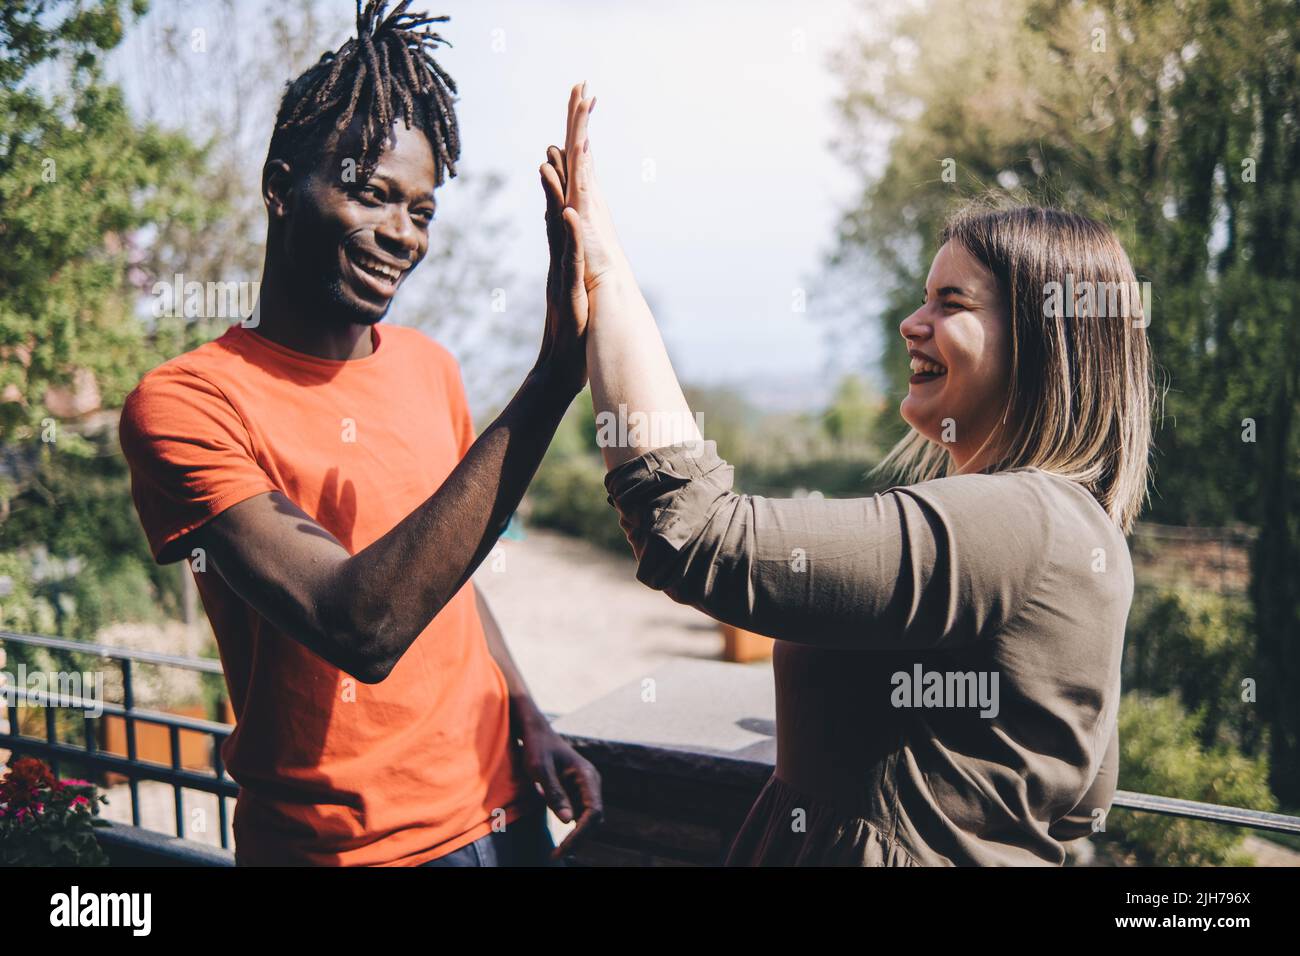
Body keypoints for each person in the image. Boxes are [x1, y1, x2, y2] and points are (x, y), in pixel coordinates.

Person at [546, 86, 1154, 865]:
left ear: (1043, 341)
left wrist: (606, 272)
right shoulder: (1072, 528)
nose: (913, 322)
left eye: (951, 301)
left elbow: (695, 532)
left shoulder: (1017, 521)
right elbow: (1076, 800)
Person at [118, 3, 600, 866]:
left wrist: (527, 717)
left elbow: (441, 573)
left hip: (506, 818)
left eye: (422, 210)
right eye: (369, 192)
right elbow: (361, 627)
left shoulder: (429, 367)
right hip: (348, 853)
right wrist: (552, 380)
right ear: (279, 185)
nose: (401, 234)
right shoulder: (189, 402)